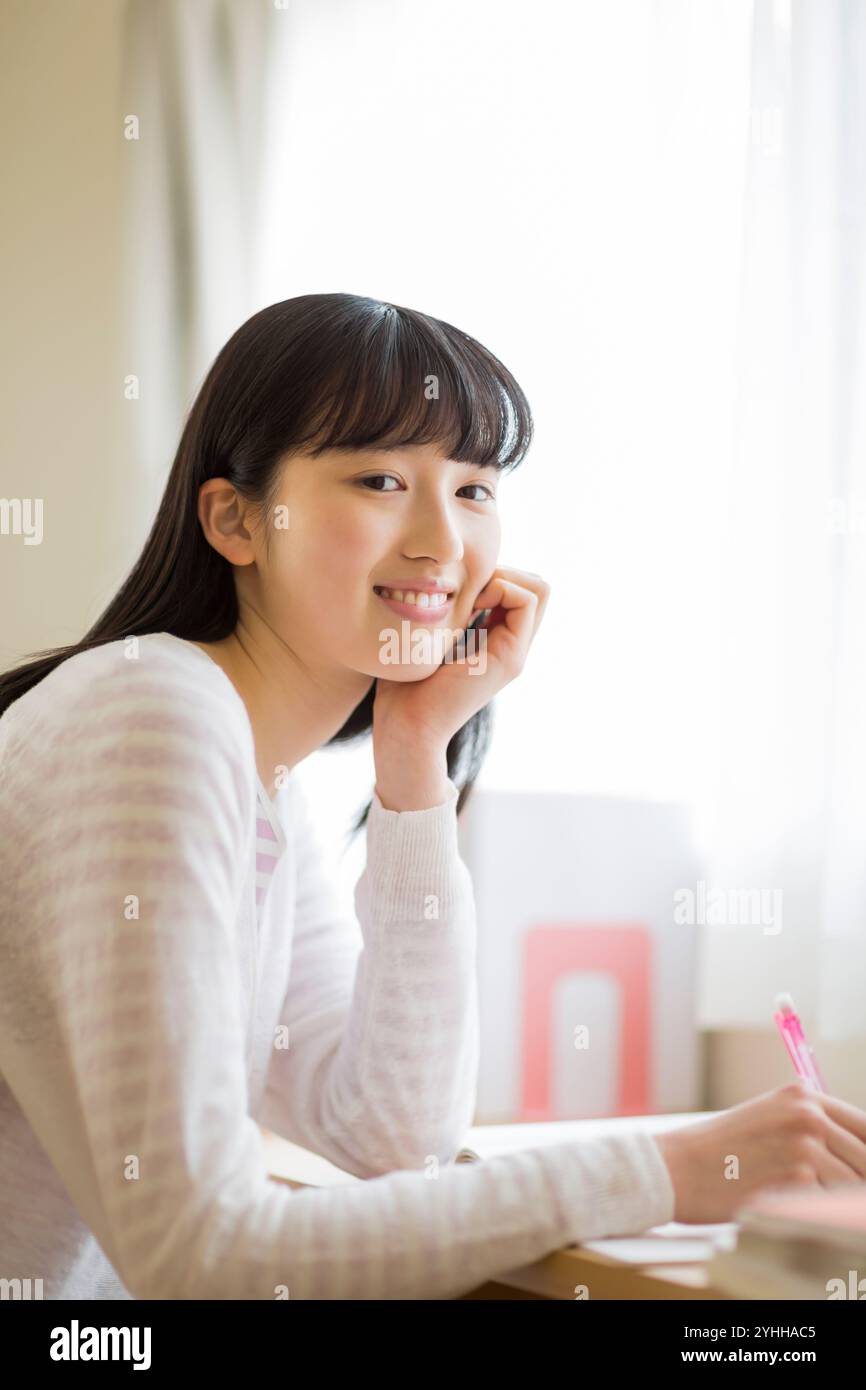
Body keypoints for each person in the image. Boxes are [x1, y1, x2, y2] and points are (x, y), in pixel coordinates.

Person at [1, 293, 864, 1301]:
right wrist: (667, 1170)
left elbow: (391, 1132)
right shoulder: (152, 712)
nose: (439, 541)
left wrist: (416, 761)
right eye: (378, 478)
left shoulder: (257, 777)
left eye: (473, 488)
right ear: (236, 519)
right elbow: (206, 1254)